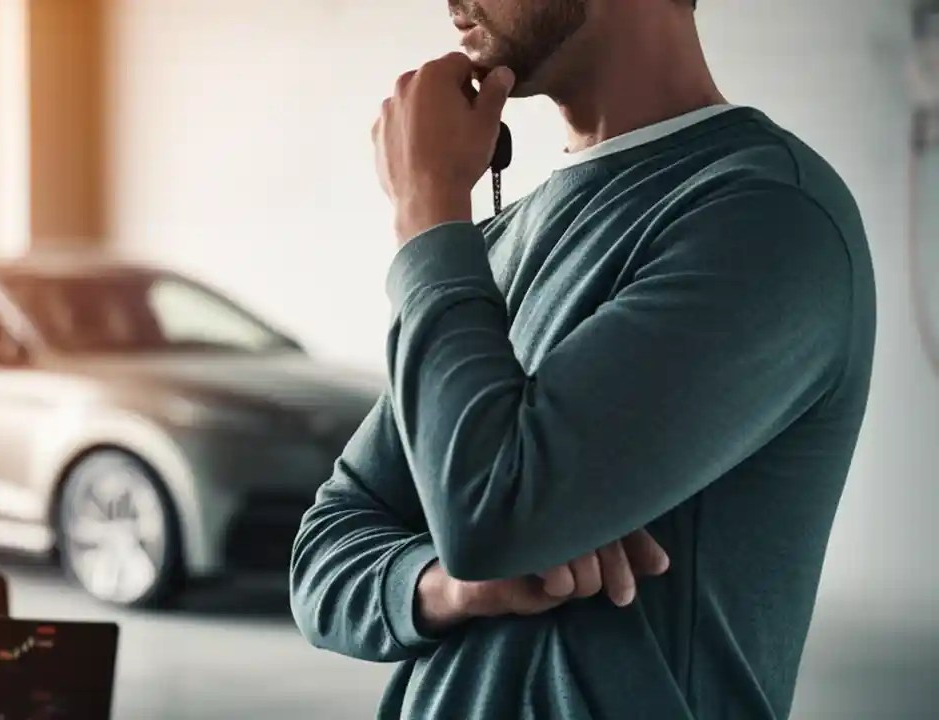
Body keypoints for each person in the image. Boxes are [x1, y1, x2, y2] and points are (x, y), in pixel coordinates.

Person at [289, 1, 876, 718]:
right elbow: (323, 552)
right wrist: (448, 586)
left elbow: (489, 516)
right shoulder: (496, 243)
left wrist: (430, 208)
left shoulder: (770, 218)